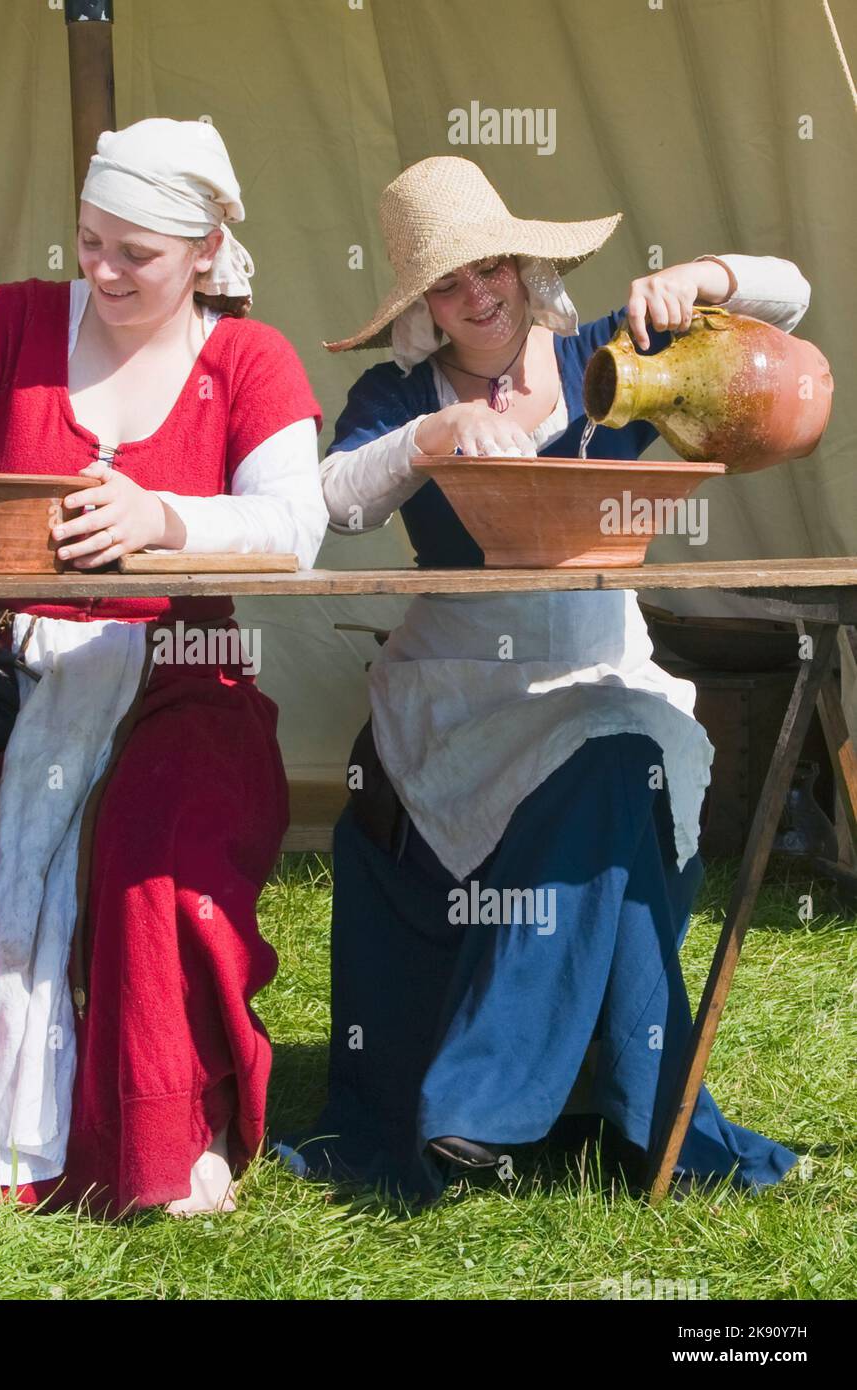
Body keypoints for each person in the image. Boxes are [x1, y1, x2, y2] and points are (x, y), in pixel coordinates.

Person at [0, 117, 326, 1216]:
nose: (104, 269)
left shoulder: (245, 358)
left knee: (161, 831)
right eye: (90, 240)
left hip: (178, 664)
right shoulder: (14, 320)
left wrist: (165, 520)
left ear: (207, 249)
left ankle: (160, 1139)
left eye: (138, 251)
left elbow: (296, 526)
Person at [284, 155, 807, 1201]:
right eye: (448, 283)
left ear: (523, 264)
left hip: (597, 654)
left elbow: (789, 292)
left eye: (490, 268)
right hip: (459, 677)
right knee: (612, 766)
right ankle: (620, 1111)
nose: (477, 295)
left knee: (621, 753)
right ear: (422, 305)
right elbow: (332, 501)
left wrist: (698, 279)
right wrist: (428, 438)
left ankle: (484, 1106)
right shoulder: (394, 392)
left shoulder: (604, 354)